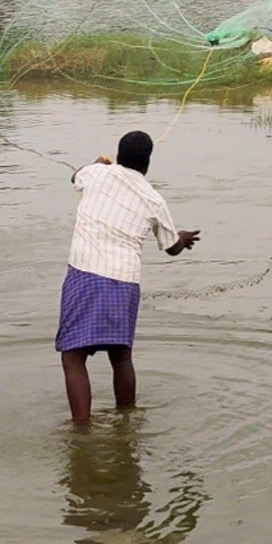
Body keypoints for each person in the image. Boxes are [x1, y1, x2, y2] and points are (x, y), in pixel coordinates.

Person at [56, 131, 201, 424]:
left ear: (118, 156)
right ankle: (126, 423)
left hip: (85, 273)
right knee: (121, 355)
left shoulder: (96, 173)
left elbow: (75, 178)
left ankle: (82, 431)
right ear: (147, 163)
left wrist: (97, 161)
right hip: (125, 281)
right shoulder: (154, 200)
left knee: (73, 357)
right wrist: (182, 239)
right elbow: (171, 248)